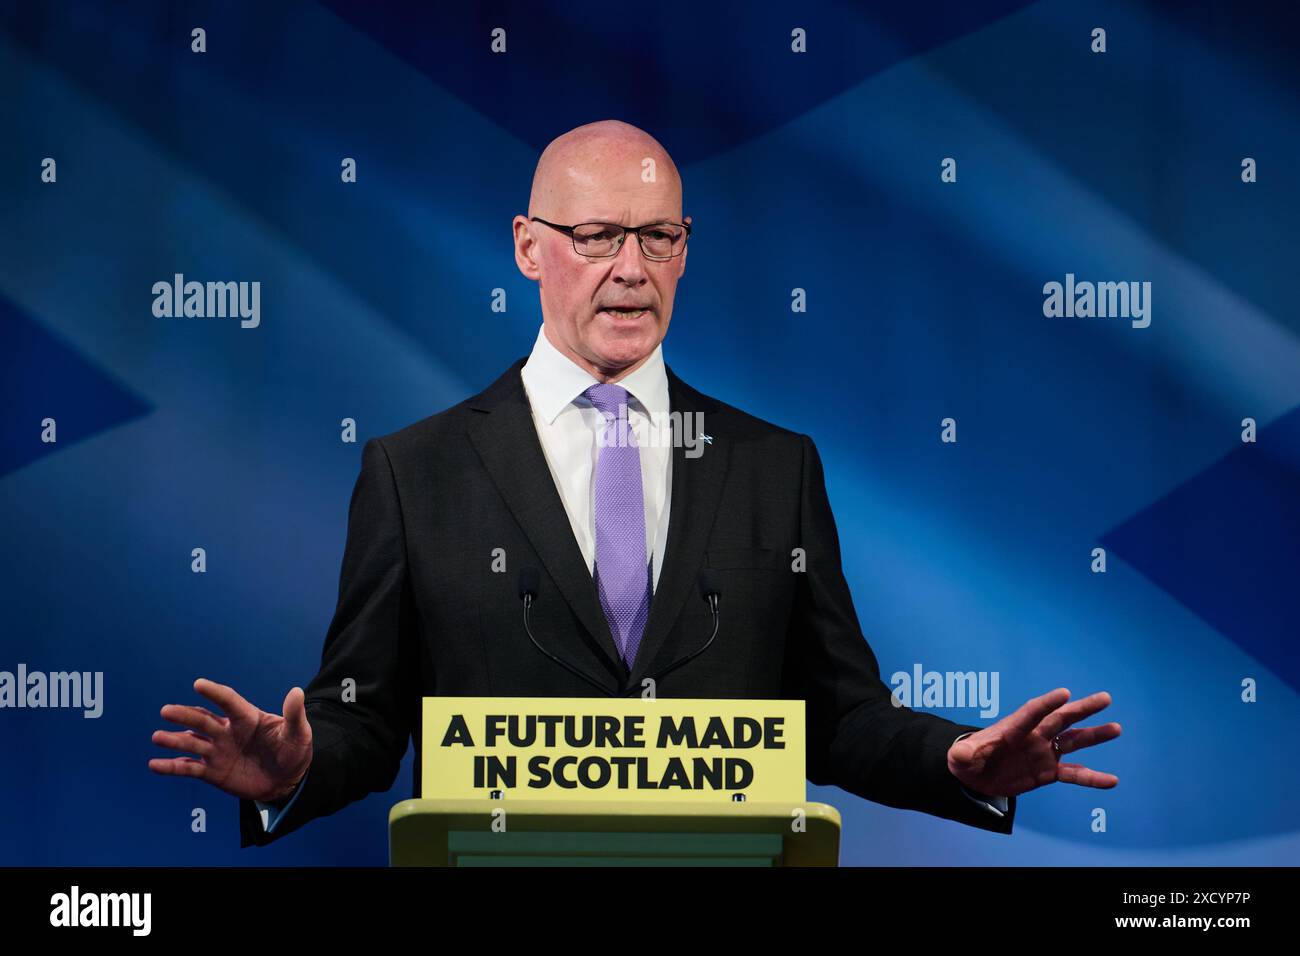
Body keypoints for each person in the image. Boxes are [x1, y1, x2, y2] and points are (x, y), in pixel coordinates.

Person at [149, 120, 1121, 848]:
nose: (630, 267)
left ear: (685, 250)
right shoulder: (415, 472)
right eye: (598, 234)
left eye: (657, 237)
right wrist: (294, 768)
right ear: (529, 246)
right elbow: (368, 715)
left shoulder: (773, 466)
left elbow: (837, 716)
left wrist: (956, 764)